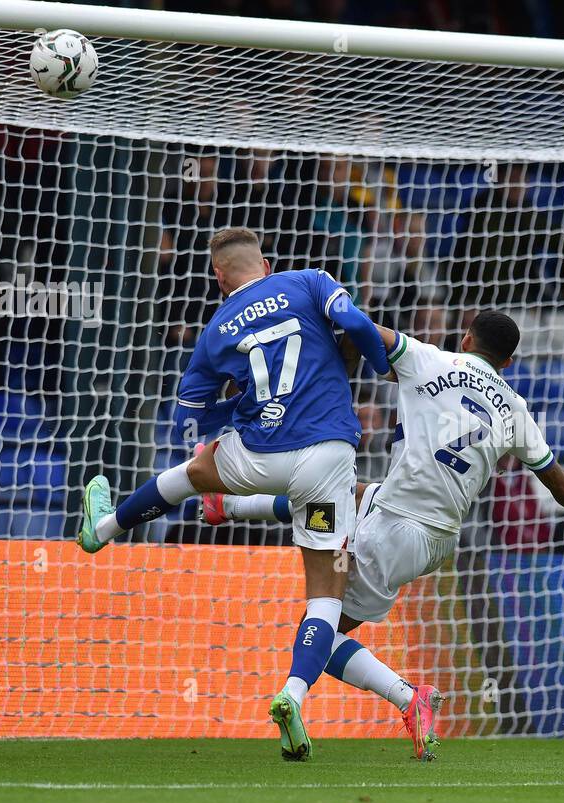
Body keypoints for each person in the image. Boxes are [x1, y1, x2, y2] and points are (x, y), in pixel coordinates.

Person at [200, 310, 564, 759]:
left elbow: (362, 328)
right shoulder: (515, 408)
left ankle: (406, 698)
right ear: (508, 363)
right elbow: (560, 485)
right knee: (340, 494)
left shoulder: (429, 360)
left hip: (395, 530)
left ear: (466, 339)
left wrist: (327, 319)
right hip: (435, 534)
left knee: (318, 631)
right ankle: (229, 506)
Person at [74, 227, 392, 761]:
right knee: (324, 595)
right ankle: (292, 695)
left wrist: (236, 412)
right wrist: (380, 368)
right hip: (326, 458)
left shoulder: (217, 328)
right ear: (266, 264)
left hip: (257, 456)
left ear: (219, 277)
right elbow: (357, 325)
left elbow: (190, 412)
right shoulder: (310, 282)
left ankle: (103, 528)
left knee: (191, 473)